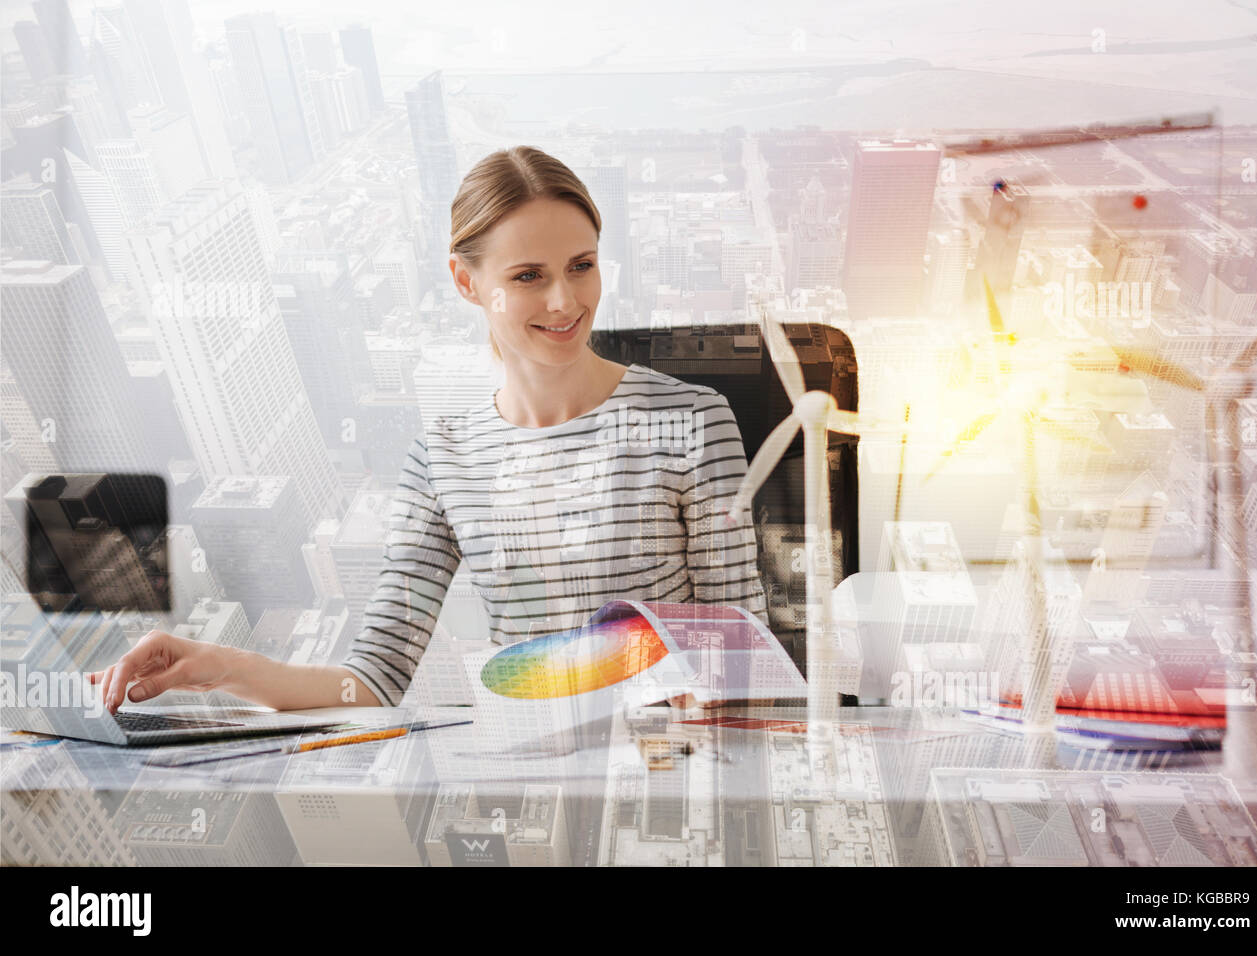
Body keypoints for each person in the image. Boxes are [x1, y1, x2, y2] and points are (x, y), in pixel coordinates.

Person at [92, 145, 768, 715]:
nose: (566, 301)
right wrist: (219, 665)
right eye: (528, 276)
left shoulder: (692, 421)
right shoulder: (442, 461)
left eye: (581, 266)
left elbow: (741, 657)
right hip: (537, 777)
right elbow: (376, 678)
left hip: (670, 769)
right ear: (466, 282)